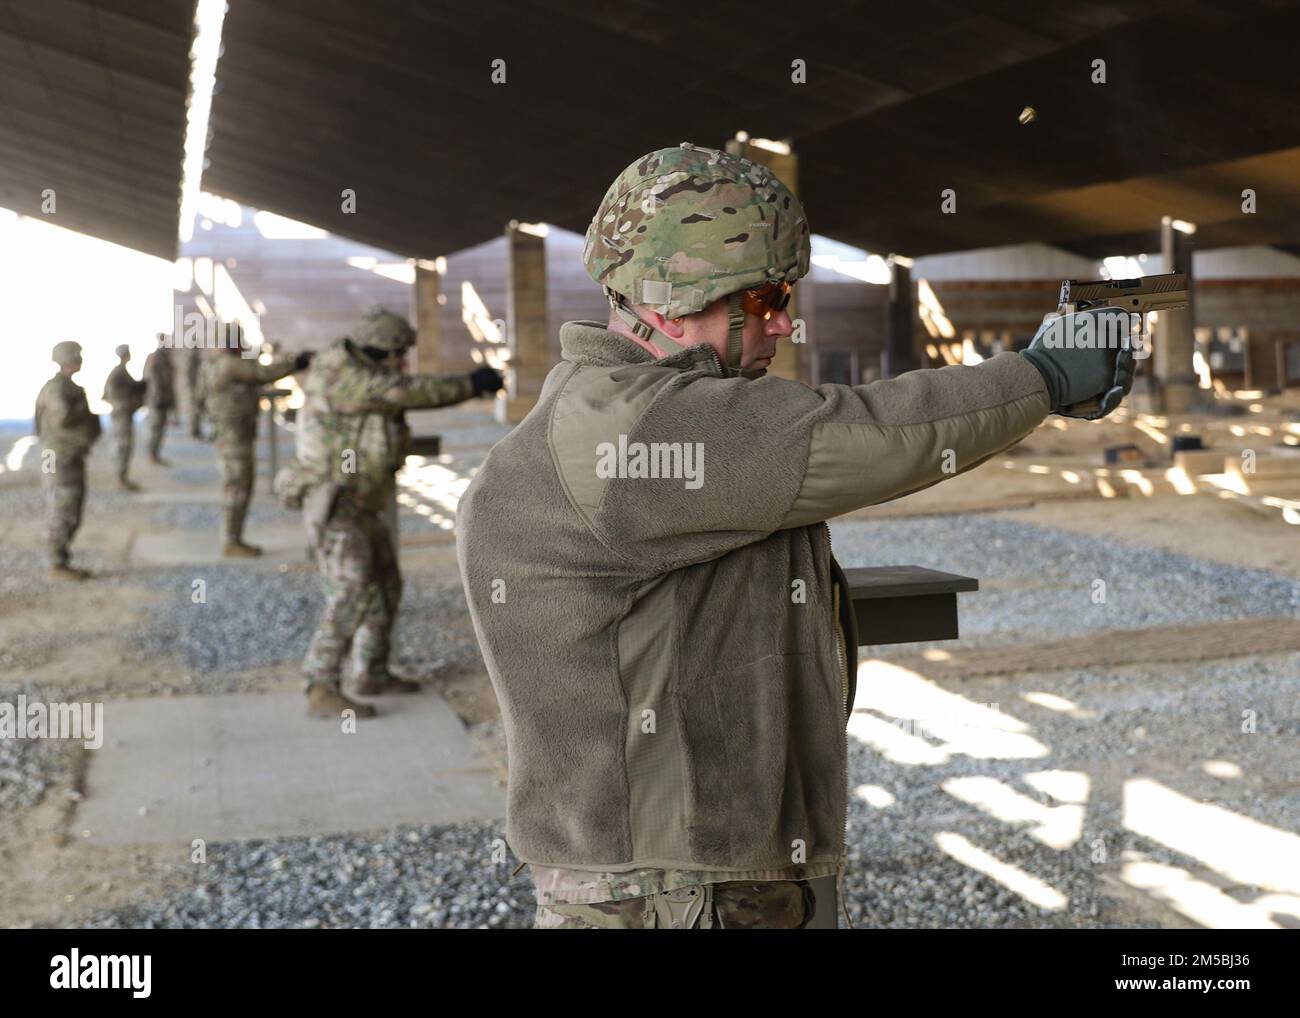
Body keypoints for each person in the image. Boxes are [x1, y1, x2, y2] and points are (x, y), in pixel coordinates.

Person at [454, 142, 1135, 929]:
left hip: (670, 878)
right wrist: (1043, 375)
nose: (784, 319)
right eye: (766, 295)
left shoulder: (620, 411)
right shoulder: (640, 429)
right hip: (676, 893)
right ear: (672, 303)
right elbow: (863, 433)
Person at [289, 308, 502, 719]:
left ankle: (370, 671)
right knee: (352, 588)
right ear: (376, 351)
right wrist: (470, 384)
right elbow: (405, 391)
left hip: (362, 500)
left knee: (386, 583)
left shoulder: (356, 369)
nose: (403, 363)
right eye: (398, 355)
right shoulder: (343, 374)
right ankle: (320, 684)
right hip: (334, 501)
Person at [202, 324, 309, 557]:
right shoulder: (230, 364)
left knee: (237, 485)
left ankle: (233, 539)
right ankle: (231, 541)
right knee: (237, 486)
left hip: (232, 433)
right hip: (233, 435)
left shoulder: (220, 363)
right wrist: (296, 363)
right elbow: (261, 374)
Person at [34, 341, 102, 580]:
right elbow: (62, 417)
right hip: (60, 457)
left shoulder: (66, 387)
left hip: (68, 456)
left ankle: (60, 559)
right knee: (63, 508)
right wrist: (84, 410)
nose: (81, 359)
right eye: (78, 355)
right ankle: (56, 563)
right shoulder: (58, 389)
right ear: (68, 358)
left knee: (69, 508)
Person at [101, 344, 148, 491]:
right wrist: (123, 402)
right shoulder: (118, 373)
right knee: (123, 445)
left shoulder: (121, 372)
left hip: (123, 413)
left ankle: (122, 478)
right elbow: (109, 393)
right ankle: (120, 479)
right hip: (121, 414)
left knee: (124, 445)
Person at [143, 335, 176, 465]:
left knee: (159, 428)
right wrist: (156, 398)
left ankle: (155, 454)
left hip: (163, 398)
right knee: (155, 427)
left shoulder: (165, 358)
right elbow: (152, 380)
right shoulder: (155, 358)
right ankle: (152, 455)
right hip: (157, 400)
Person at [186, 348, 208, 440]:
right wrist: (194, 388)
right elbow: (191, 375)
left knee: (197, 411)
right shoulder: (193, 359)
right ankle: (194, 432)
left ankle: (196, 431)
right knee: (195, 411)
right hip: (195, 388)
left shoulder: (195, 358)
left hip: (197, 387)